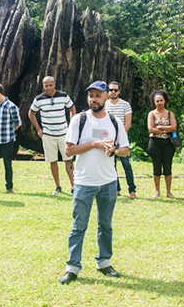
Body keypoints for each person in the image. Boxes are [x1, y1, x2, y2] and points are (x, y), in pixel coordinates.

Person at [59, 81, 129, 284]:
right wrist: (95, 144)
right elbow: (69, 150)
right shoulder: (79, 120)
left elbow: (125, 150)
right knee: (78, 226)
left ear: (107, 96)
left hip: (108, 181)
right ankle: (72, 267)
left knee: (105, 225)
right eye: (91, 95)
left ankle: (104, 262)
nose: (93, 99)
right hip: (84, 182)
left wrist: (113, 149)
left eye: (98, 95)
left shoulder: (115, 122)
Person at [29, 76, 76, 195]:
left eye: (50, 85)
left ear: (54, 85)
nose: (48, 88)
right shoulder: (39, 99)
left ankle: (74, 186)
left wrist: (71, 125)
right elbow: (31, 113)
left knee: (68, 161)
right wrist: (38, 129)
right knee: (52, 161)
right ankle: (57, 186)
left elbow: (72, 108)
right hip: (48, 134)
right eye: (46, 85)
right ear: (43, 86)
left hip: (64, 134)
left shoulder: (63, 96)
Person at [105, 81, 136, 199]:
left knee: (126, 165)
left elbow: (127, 124)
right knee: (112, 166)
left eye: (115, 90)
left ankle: (132, 189)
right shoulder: (105, 104)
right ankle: (116, 189)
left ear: (119, 91)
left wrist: (118, 138)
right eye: (111, 90)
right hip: (108, 140)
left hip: (122, 140)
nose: (113, 92)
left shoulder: (125, 105)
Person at [147, 90, 177, 198]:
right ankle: (157, 191)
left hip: (168, 143)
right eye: (157, 101)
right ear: (154, 102)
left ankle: (169, 192)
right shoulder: (151, 114)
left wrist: (160, 128)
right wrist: (166, 130)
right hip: (154, 143)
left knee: (168, 167)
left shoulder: (170, 113)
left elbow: (174, 127)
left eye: (161, 100)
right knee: (156, 167)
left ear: (165, 101)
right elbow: (150, 128)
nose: (159, 102)